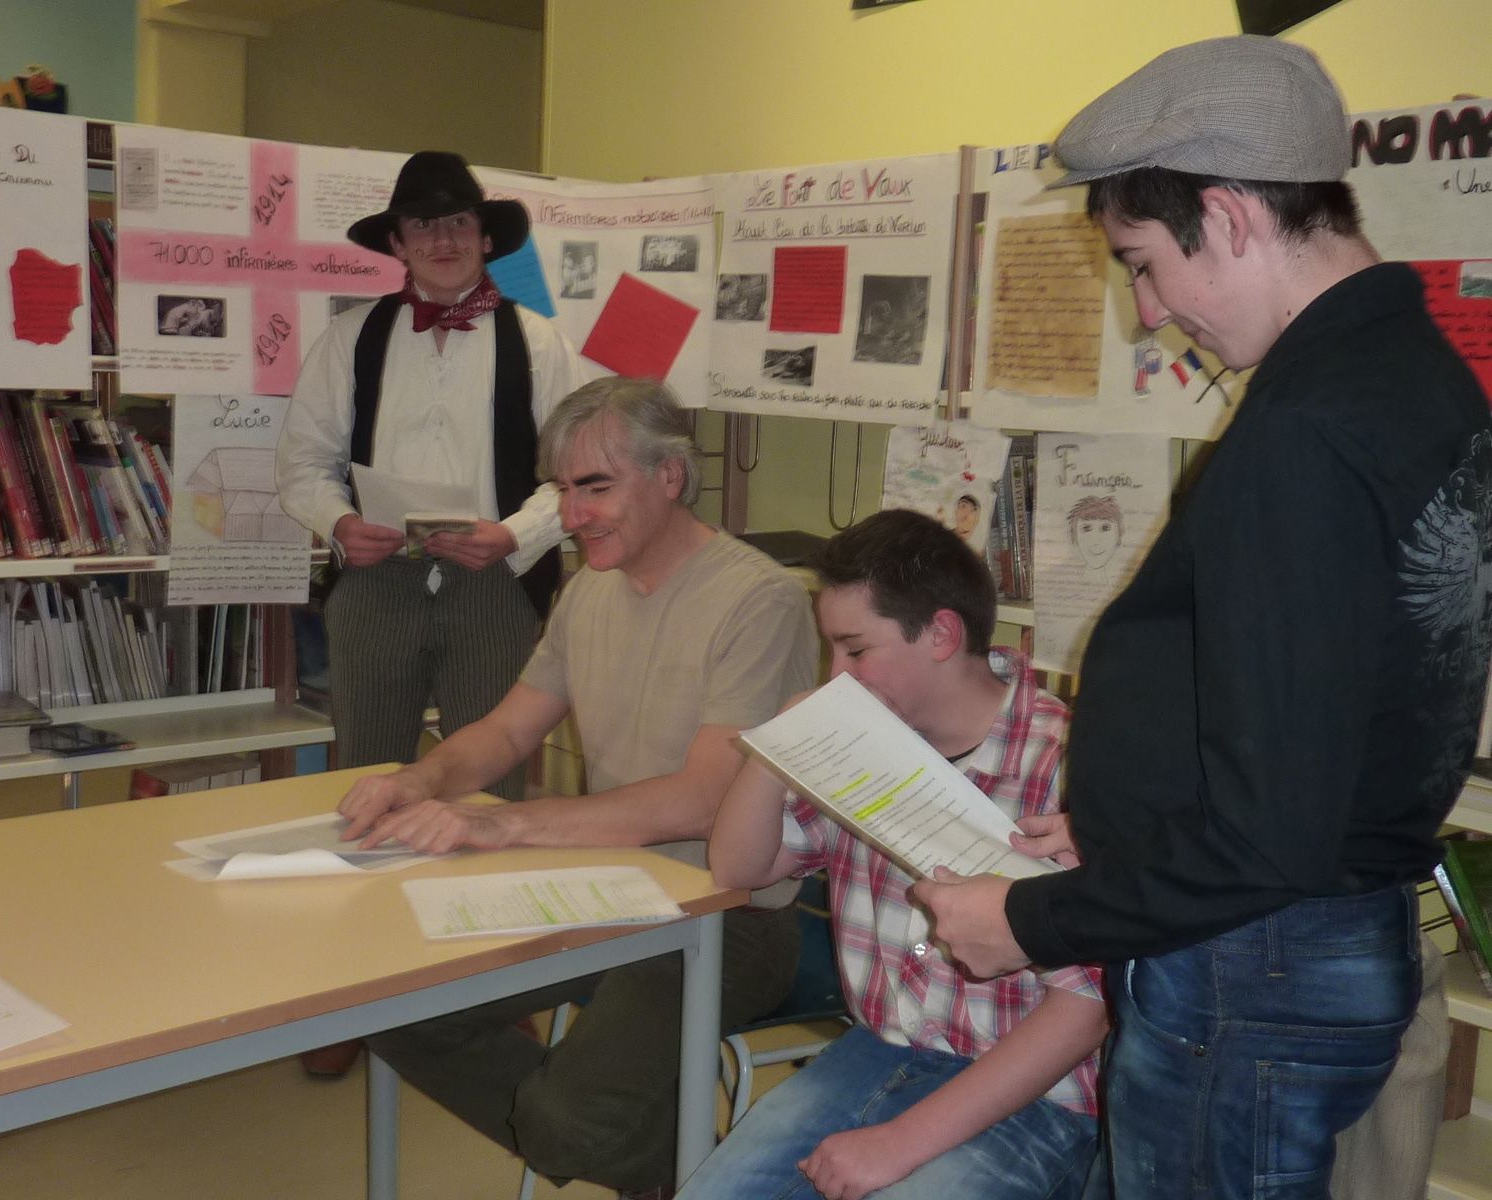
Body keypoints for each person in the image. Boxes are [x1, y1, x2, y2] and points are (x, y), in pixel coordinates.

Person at [911, 36, 1492, 1200]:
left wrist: (1033, 920)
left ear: (1226, 217)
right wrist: (1138, 825)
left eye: (1140, 262)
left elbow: (1271, 831)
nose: (1146, 314)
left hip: (1252, 963)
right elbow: (1336, 711)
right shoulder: (1416, 376)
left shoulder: (1305, 432)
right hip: (1305, 932)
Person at [337, 377, 820, 1198]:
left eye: (595, 487)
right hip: (604, 892)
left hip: (722, 914)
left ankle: (661, 1166)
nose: (570, 514)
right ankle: (674, 1163)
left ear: (670, 477)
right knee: (392, 1011)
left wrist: (507, 828)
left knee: (564, 1123)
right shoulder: (587, 589)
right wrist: (415, 779)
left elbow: (704, 799)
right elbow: (507, 732)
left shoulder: (757, 598)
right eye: (563, 490)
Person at [680, 509, 1105, 1200]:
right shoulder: (865, 738)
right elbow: (739, 869)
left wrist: (897, 1146)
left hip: (1031, 1095)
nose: (836, 674)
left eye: (854, 650)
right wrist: (777, 750)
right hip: (882, 1053)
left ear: (941, 634)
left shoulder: (1071, 764)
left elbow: (1086, 1010)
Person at [277, 150, 588, 793]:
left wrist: (515, 536)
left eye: (458, 224)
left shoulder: (539, 343)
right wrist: (338, 522)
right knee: (367, 773)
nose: (442, 239)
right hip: (375, 583)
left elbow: (575, 476)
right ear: (397, 242)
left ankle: (475, 893)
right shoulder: (349, 338)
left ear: (485, 237)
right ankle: (371, 892)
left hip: (496, 586)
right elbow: (303, 460)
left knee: (488, 782)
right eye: (422, 225)